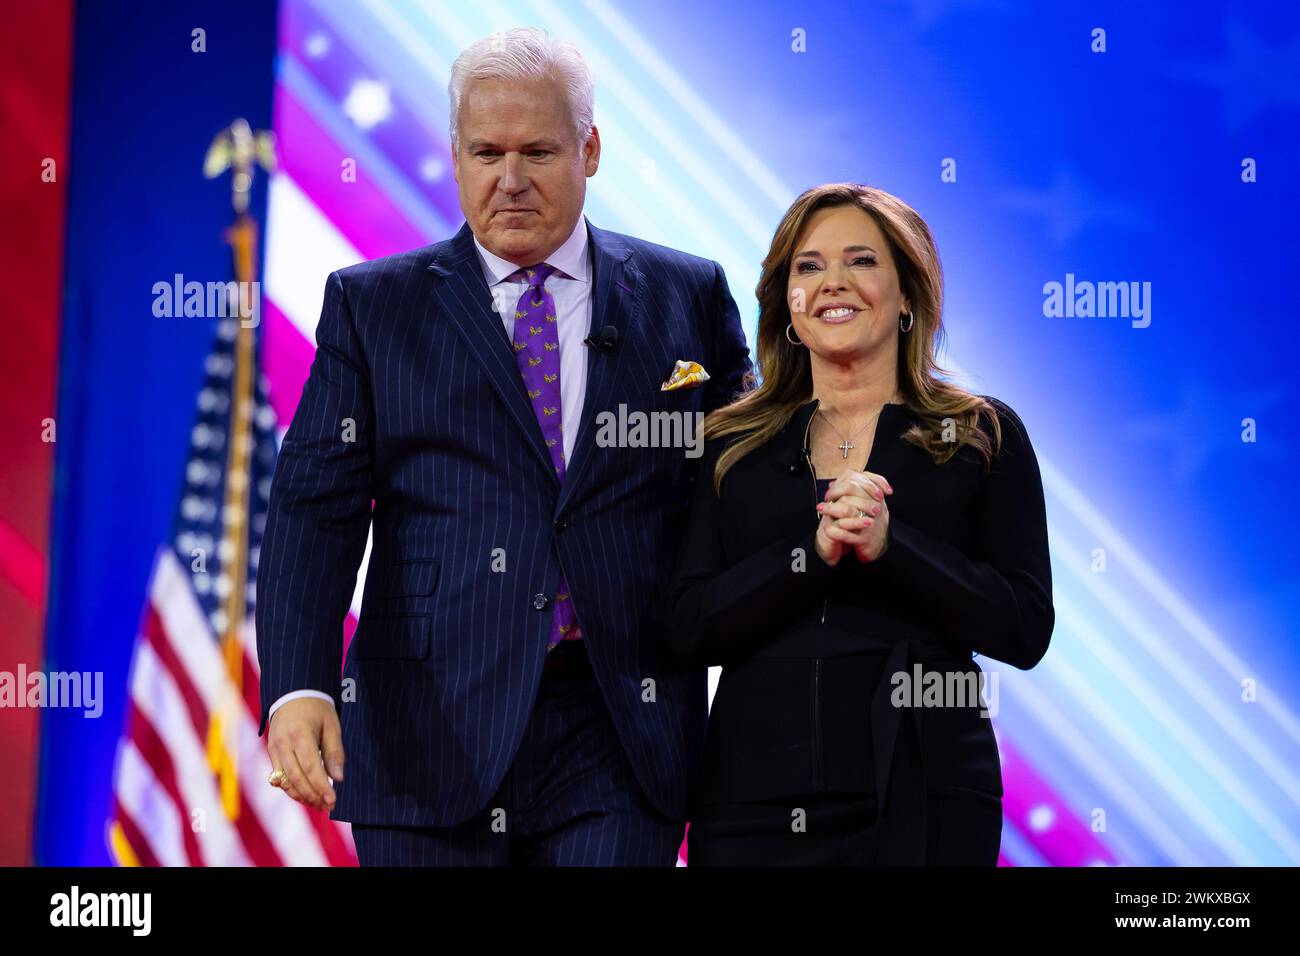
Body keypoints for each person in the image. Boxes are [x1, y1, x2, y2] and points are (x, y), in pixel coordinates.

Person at [255, 26, 752, 866]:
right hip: (427, 727)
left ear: (589, 150)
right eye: (486, 152)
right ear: (454, 155)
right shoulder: (373, 307)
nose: (510, 181)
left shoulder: (687, 293)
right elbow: (315, 509)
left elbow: (745, 482)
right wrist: (299, 684)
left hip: (621, 727)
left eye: (539, 151)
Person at [662, 183, 1054, 866]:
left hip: (925, 790)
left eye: (861, 262)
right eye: (807, 267)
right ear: (787, 300)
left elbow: (1023, 627)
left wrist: (891, 546)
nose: (832, 283)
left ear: (908, 295)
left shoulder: (978, 433)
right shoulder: (730, 444)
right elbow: (685, 625)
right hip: (751, 803)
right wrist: (811, 553)